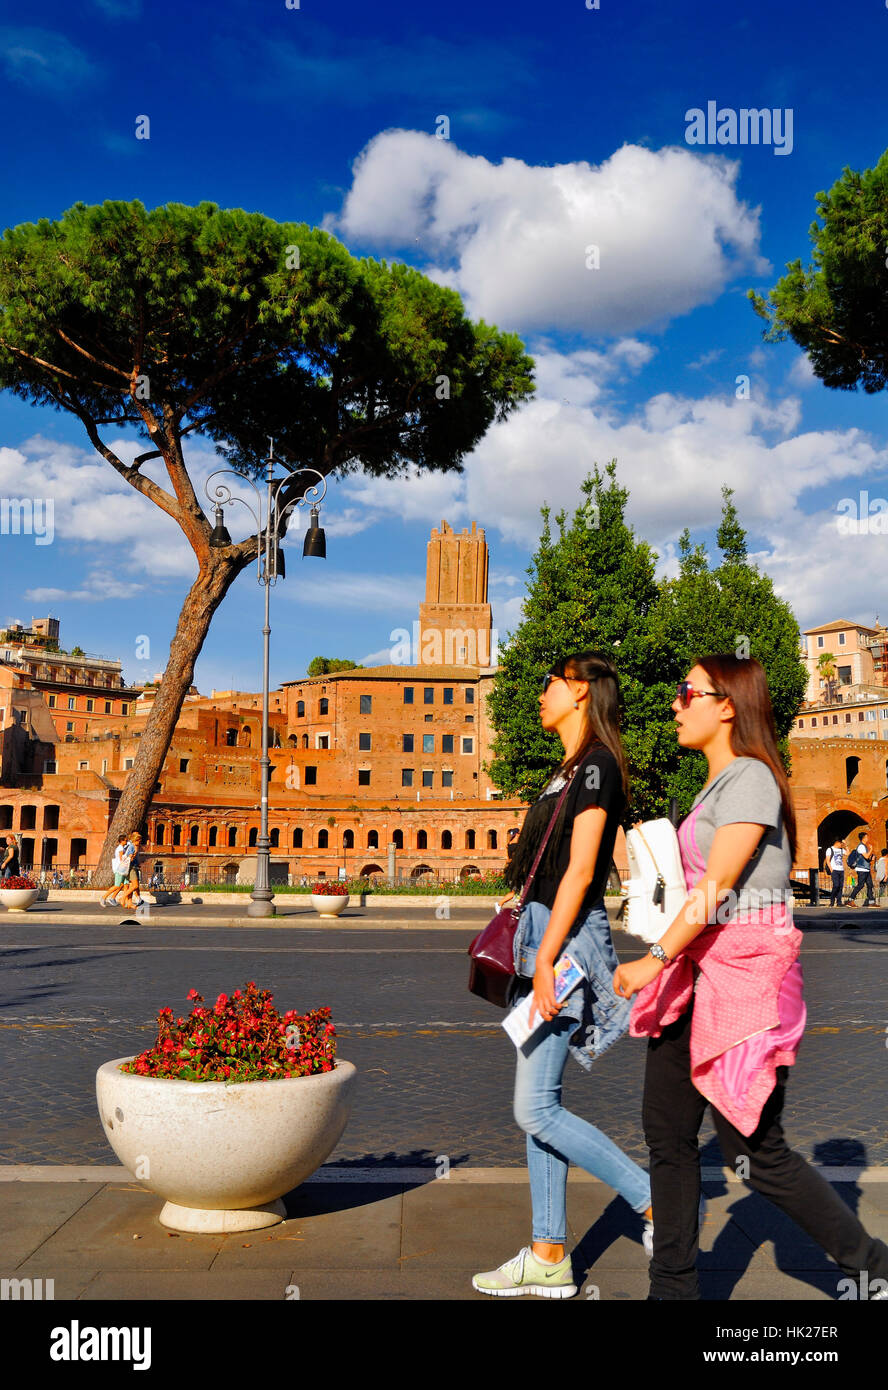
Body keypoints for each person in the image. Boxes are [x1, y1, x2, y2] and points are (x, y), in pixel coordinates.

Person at [613, 655, 888, 1301]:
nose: (676, 704)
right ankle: (673, 1289)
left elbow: (716, 888)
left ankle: (872, 1266)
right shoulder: (714, 788)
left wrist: (652, 960)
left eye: (688, 693)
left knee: (758, 1153)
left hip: (741, 985)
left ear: (727, 704)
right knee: (668, 1134)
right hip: (694, 981)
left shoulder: (752, 779)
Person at [472, 652, 652, 1299]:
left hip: (567, 944)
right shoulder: (565, 771)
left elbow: (581, 871)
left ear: (579, 690)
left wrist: (546, 957)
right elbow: (550, 869)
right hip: (541, 933)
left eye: (550, 682)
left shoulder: (600, 764)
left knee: (534, 1107)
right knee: (538, 1106)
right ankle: (549, 1253)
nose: (540, 693)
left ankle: (652, 1200)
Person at [101, 835, 133, 908]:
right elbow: (122, 859)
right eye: (125, 840)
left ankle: (124, 902)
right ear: (121, 841)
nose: (126, 841)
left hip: (124, 869)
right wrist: (129, 858)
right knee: (117, 885)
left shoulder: (121, 848)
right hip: (120, 869)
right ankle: (103, 897)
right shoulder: (120, 848)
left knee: (126, 885)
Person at [845, 831, 876, 907]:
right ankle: (850, 900)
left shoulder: (864, 846)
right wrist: (871, 849)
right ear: (864, 838)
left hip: (866, 869)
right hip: (861, 869)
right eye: (867, 837)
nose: (868, 838)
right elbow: (865, 856)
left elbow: (866, 858)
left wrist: (871, 859)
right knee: (860, 885)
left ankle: (871, 902)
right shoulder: (861, 846)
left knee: (870, 885)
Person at [119, 832, 145, 911]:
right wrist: (135, 852)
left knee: (131, 886)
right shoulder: (132, 847)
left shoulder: (134, 846)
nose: (140, 842)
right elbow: (130, 858)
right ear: (135, 840)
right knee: (135, 886)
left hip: (134, 867)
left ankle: (130, 903)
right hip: (131, 868)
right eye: (139, 840)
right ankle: (122, 898)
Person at [825, 836, 846, 908]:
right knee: (836, 885)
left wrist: (845, 845)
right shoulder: (830, 849)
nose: (841, 844)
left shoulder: (841, 850)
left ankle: (839, 902)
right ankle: (832, 900)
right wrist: (832, 870)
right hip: (834, 870)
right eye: (841, 843)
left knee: (840, 886)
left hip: (841, 870)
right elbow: (827, 860)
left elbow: (848, 853)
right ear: (837, 842)